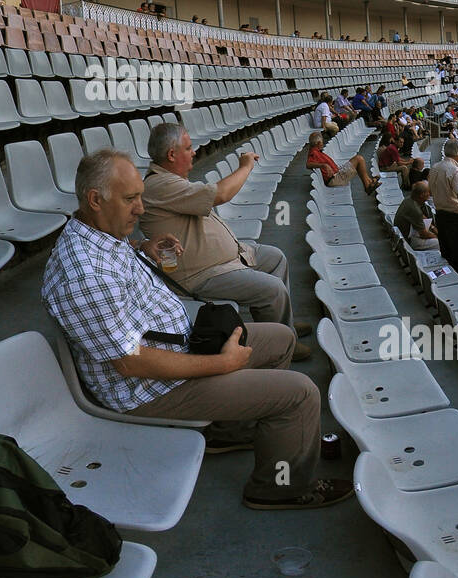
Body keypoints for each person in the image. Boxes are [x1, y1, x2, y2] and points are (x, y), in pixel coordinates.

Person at [43, 149, 345, 510]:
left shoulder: (100, 232)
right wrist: (223, 365)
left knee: (282, 339)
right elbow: (132, 362)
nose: (140, 209)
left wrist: (143, 247)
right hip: (150, 390)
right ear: (95, 200)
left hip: (178, 348)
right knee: (300, 392)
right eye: (130, 199)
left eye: (140, 196)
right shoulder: (84, 275)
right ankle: (280, 488)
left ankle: (228, 430)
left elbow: (115, 262)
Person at [137, 122, 288, 327]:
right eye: (188, 148)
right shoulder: (159, 185)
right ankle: (282, 339)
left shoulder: (170, 180)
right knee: (274, 289)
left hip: (227, 260)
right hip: (202, 275)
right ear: (172, 155)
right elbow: (222, 194)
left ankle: (277, 323)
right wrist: (246, 166)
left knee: (276, 258)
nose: (194, 152)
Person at [393, 178, 439, 252]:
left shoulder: (409, 199)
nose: (429, 194)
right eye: (428, 192)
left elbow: (422, 217)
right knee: (440, 243)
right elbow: (423, 234)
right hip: (409, 240)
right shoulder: (414, 210)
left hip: (404, 234)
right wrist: (438, 237)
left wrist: (433, 227)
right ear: (422, 195)